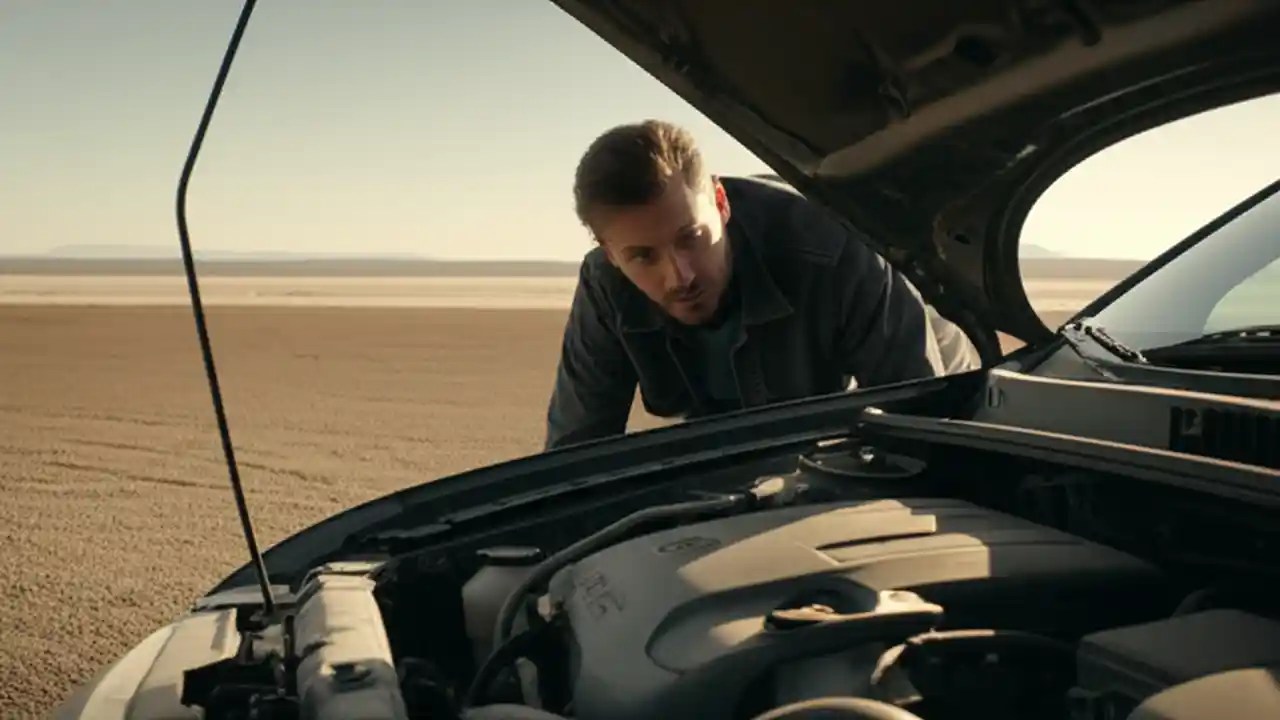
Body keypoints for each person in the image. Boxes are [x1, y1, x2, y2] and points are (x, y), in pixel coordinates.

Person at [544, 119, 980, 450]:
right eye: (643, 256)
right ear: (607, 251)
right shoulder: (604, 284)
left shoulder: (833, 246)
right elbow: (576, 447)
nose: (681, 275)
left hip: (939, 387)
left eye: (691, 238)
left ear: (720, 202)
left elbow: (922, 424)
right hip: (748, 438)